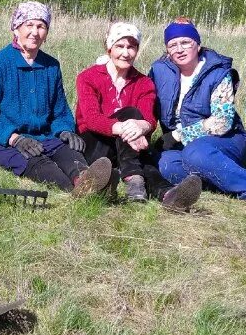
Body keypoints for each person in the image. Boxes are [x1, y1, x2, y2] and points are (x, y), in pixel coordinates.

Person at [0, 0, 113, 196]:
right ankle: (77, 189)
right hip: (1, 141)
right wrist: (14, 138)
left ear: (47, 32)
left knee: (68, 152)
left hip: (43, 136)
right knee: (36, 160)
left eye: (41, 26)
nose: (35, 32)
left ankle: (86, 180)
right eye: (29, 25)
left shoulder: (51, 66)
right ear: (16, 28)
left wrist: (64, 130)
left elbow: (60, 111)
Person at [149, 17, 246, 211]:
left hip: (225, 140)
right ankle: (220, 180)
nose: (179, 49)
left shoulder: (218, 73)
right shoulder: (159, 71)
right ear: (167, 50)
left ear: (197, 44)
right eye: (173, 45)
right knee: (165, 165)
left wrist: (178, 135)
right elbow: (143, 94)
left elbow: (222, 122)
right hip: (181, 148)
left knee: (195, 153)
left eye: (186, 42)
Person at [75, 21, 201, 209]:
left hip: (127, 148)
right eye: (120, 46)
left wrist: (143, 127)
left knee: (145, 158)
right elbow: (92, 119)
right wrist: (128, 128)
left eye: (131, 47)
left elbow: (149, 118)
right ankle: (133, 177)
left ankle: (169, 195)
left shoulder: (144, 83)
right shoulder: (88, 77)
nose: (126, 53)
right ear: (109, 48)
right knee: (132, 115)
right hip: (94, 144)